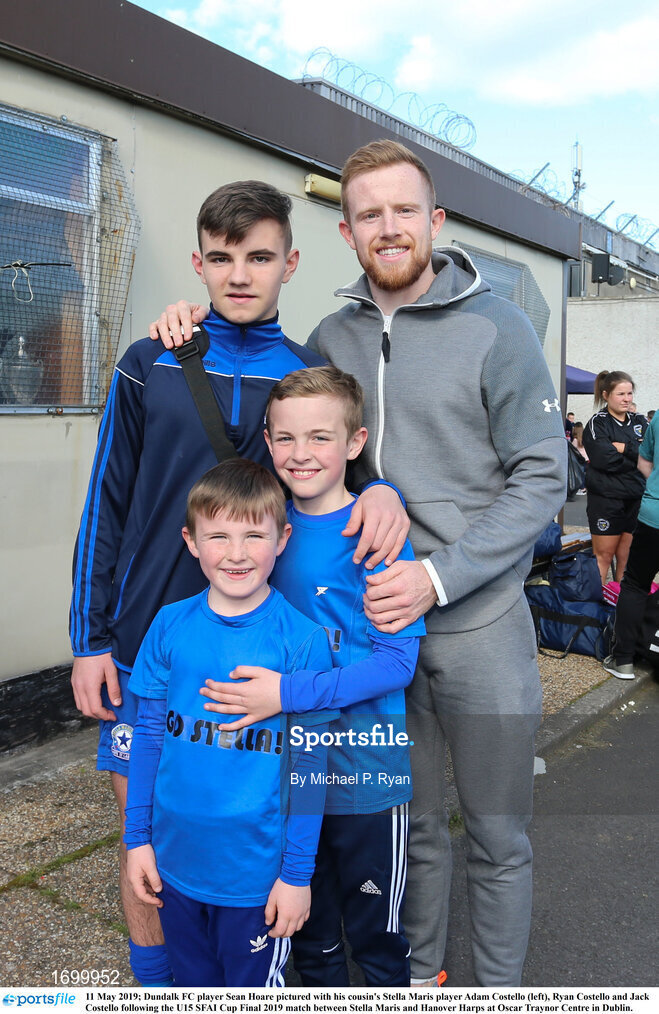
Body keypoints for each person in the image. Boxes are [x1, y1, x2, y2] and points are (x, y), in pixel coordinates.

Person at [149, 139, 567, 986]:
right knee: (406, 831)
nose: (387, 227)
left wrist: (437, 573)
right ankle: (411, 984)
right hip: (365, 633)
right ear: (345, 232)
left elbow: (541, 478)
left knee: (494, 833)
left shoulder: (501, 325)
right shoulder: (327, 336)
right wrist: (183, 325)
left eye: (402, 210)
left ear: (434, 221)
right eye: (368, 213)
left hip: (476, 624)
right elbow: (300, 432)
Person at [69, 180, 405, 986]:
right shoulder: (150, 362)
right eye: (221, 259)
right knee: (143, 828)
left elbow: (328, 469)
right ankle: (160, 985)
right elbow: (104, 503)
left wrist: (382, 486)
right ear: (198, 263)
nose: (240, 275)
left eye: (258, 257)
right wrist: (88, 640)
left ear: (290, 262)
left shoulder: (305, 375)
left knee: (259, 825)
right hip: (149, 639)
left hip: (263, 645)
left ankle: (250, 976)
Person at [207, 366, 424, 985]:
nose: (301, 454)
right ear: (267, 442)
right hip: (283, 781)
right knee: (310, 939)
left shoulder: (378, 533)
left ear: (355, 444)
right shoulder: (262, 535)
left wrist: (287, 693)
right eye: (286, 439)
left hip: (364, 780)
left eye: (320, 438)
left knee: (378, 943)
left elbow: (396, 664)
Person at [124, 459, 333, 986]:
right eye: (218, 535)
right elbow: (148, 740)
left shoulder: (301, 641)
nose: (236, 554)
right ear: (190, 541)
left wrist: (296, 875)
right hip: (174, 864)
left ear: (282, 538)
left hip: (255, 879)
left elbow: (311, 769)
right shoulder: (169, 626)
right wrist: (137, 841)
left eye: (253, 535)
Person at [603, 411, 659, 679]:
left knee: (636, 584)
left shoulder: (658, 417)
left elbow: (644, 464)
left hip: (654, 514)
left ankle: (623, 659)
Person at [583, 370, 648, 584]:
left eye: (629, 393)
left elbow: (650, 455)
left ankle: (621, 611)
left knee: (627, 559)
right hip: (607, 499)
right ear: (606, 395)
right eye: (620, 394)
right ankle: (598, 613)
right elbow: (604, 459)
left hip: (636, 498)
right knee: (603, 557)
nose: (627, 399)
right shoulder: (597, 423)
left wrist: (623, 448)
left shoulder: (640, 421)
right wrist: (635, 453)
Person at [571, 422, 588, 495]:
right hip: (586, 459)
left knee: (579, 474)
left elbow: (573, 450)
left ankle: (582, 488)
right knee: (583, 474)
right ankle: (584, 488)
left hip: (579, 460)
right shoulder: (585, 439)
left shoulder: (575, 440)